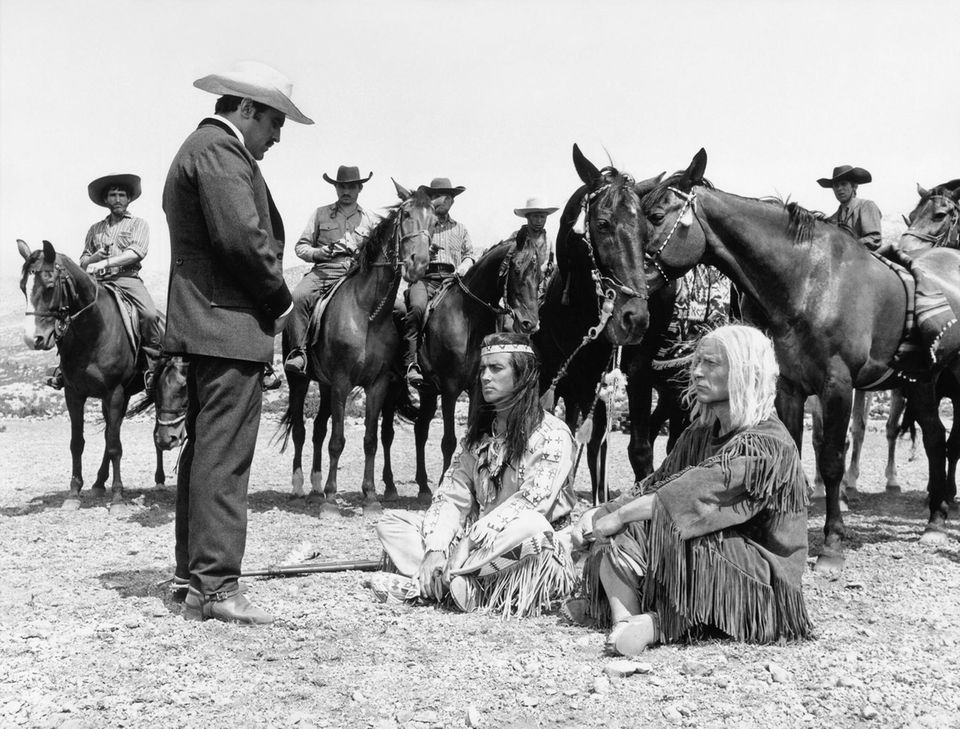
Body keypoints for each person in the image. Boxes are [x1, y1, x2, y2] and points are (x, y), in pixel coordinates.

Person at [162, 60, 313, 624]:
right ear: (245, 108)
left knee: (204, 456)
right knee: (223, 460)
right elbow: (244, 241)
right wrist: (280, 304)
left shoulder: (202, 148)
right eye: (274, 122)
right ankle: (219, 587)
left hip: (206, 324)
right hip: (228, 327)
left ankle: (194, 579)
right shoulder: (221, 152)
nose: (276, 136)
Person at [569, 324, 813, 655]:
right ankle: (626, 623)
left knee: (644, 525)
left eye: (710, 364)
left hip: (759, 579)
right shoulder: (699, 434)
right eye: (696, 362)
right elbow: (656, 484)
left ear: (744, 372)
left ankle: (650, 624)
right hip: (712, 555)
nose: (697, 372)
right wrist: (600, 512)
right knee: (620, 529)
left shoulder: (767, 445)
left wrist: (621, 515)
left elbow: (691, 497)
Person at [371, 332, 577, 617]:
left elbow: (532, 503)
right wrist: (437, 548)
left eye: (496, 368)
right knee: (391, 523)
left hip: (524, 544)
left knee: (531, 526)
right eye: (482, 369)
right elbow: (450, 498)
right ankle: (455, 581)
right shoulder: (478, 437)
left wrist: (467, 544)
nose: (485, 377)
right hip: (479, 546)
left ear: (523, 375)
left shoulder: (553, 435)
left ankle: (441, 583)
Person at [45, 174, 161, 392]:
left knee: (149, 315)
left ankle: (152, 366)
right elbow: (83, 260)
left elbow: (136, 252)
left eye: (122, 195)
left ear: (128, 199)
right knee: (68, 315)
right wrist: (94, 259)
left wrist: (106, 261)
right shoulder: (95, 229)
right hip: (97, 282)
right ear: (106, 200)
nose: (117, 199)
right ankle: (64, 368)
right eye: (112, 195)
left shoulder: (138, 224)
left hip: (127, 279)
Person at [282, 165, 379, 375]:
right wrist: (319, 253)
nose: (346, 191)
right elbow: (301, 246)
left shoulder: (371, 219)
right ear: (335, 187)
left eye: (351, 187)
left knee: (396, 308)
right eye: (341, 186)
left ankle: (393, 364)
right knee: (297, 297)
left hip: (358, 275)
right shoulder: (320, 214)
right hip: (325, 270)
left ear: (360, 188)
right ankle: (299, 353)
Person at [403, 177, 475, 386]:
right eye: (437, 196)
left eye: (448, 196)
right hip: (425, 279)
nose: (442, 200)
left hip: (454, 281)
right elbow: (409, 252)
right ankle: (412, 363)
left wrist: (464, 265)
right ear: (431, 200)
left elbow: (470, 254)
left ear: (452, 201)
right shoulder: (420, 223)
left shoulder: (460, 229)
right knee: (416, 308)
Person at [817, 165, 882, 250]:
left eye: (843, 184)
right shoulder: (832, 219)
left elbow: (874, 238)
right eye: (836, 186)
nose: (839, 188)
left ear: (854, 186)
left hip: (865, 260)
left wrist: (849, 247)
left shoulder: (866, 206)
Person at [507, 196, 558, 277]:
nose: (539, 221)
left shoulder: (548, 241)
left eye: (542, 217)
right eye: (535, 216)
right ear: (527, 216)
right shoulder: (516, 236)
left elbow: (551, 265)